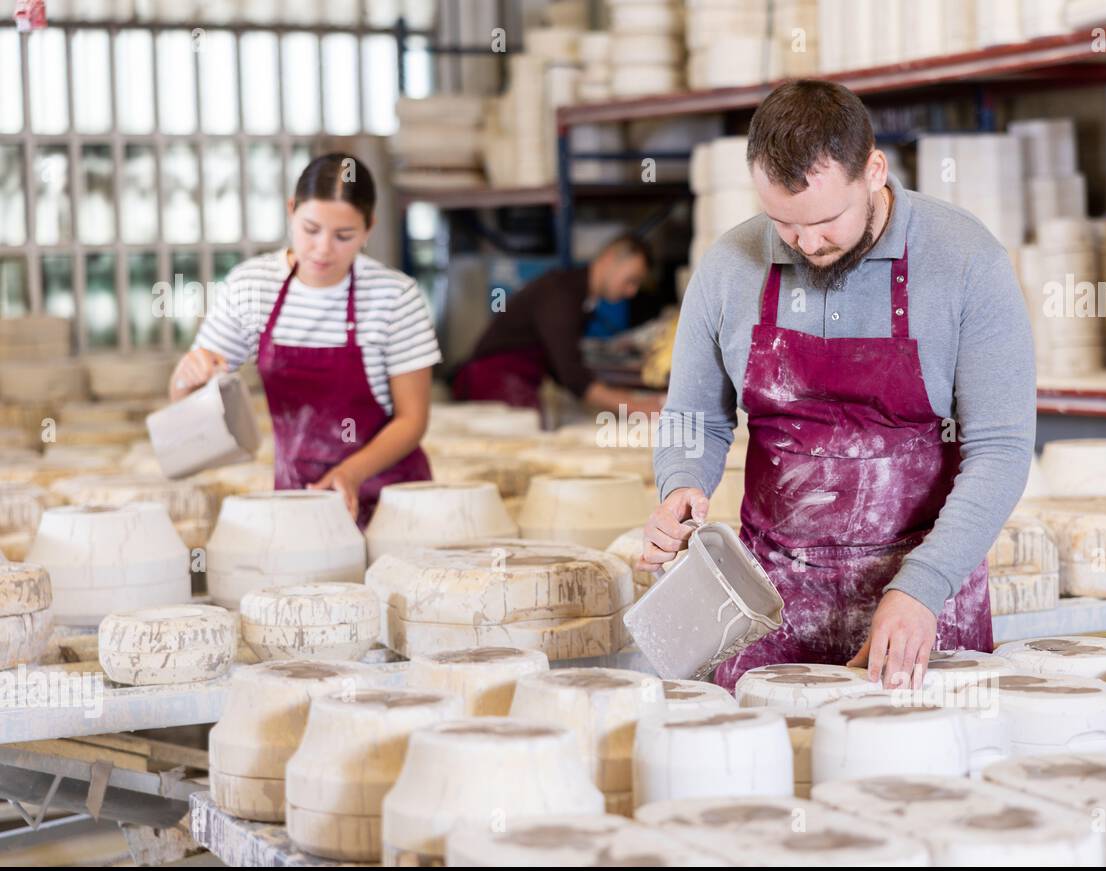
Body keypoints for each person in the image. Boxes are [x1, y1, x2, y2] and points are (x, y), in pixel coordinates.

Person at [641, 80, 1036, 693]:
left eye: (826, 221)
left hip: (918, 600)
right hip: (768, 602)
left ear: (874, 171)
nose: (807, 244)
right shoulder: (727, 267)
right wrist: (681, 483)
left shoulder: (965, 261)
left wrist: (922, 586)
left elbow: (1002, 449)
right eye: (783, 225)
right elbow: (695, 413)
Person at [168, 153, 438, 529]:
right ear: (291, 210)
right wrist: (188, 377)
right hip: (297, 498)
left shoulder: (395, 296)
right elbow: (187, 409)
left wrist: (351, 474)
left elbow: (413, 419)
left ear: (369, 228)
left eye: (344, 236)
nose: (323, 249)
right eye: (311, 229)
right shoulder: (252, 286)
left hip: (392, 501)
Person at [453, 234, 664, 415]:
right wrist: (633, 406)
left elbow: (563, 369)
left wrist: (619, 397)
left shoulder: (581, 298)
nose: (632, 291)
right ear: (609, 258)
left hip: (515, 381)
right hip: (491, 380)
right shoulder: (561, 293)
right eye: (631, 280)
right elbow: (571, 375)